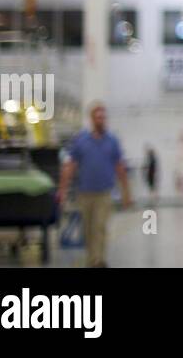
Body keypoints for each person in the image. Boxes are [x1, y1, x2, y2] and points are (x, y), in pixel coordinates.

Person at [58, 104, 132, 267]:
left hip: (104, 194)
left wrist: (126, 193)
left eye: (103, 117)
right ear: (92, 119)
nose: (101, 120)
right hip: (84, 194)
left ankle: (98, 260)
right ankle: (93, 259)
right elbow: (70, 166)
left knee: (99, 227)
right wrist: (62, 190)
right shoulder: (81, 140)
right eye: (98, 117)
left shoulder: (112, 141)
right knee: (88, 231)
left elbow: (120, 167)